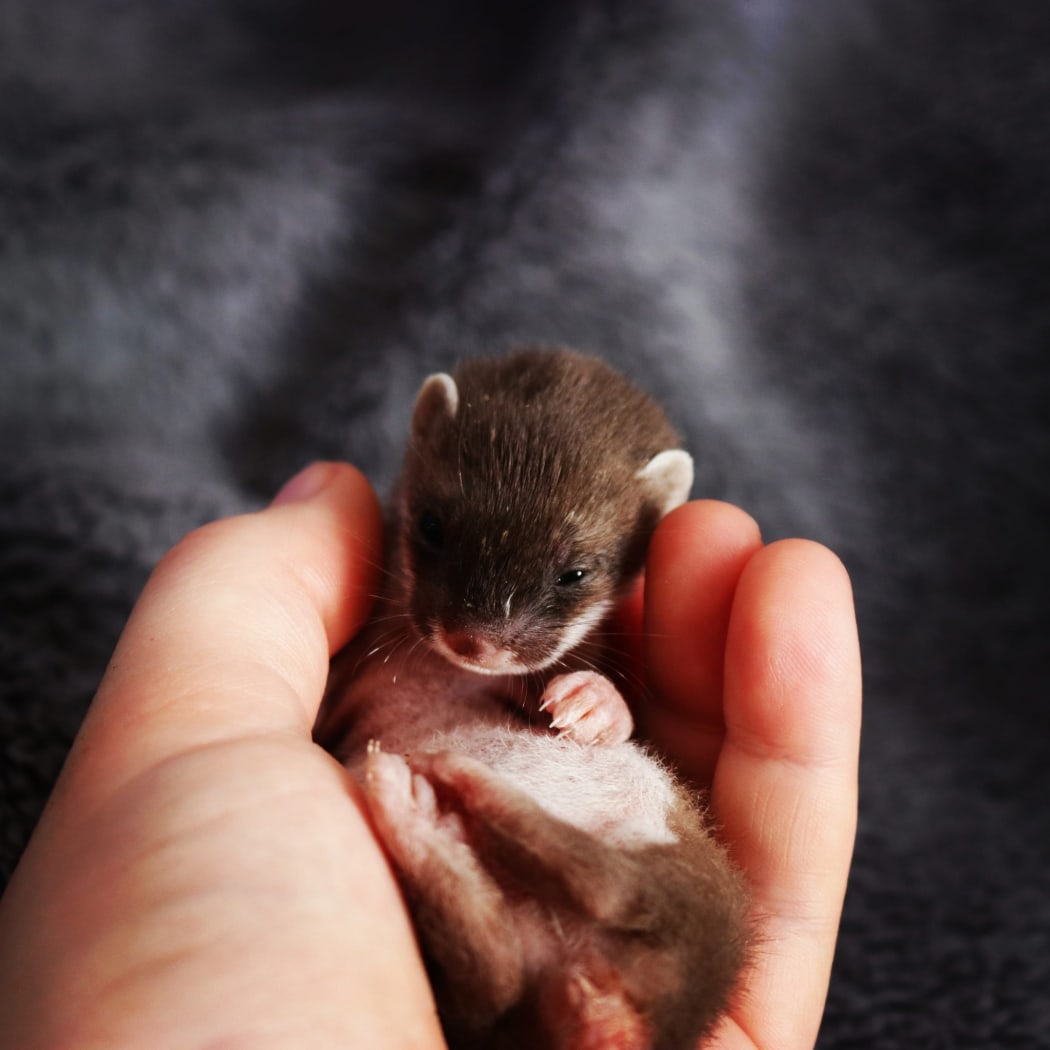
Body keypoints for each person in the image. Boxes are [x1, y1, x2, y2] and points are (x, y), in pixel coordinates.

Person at [0, 461, 861, 1049]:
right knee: (512, 978)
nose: (482, 636)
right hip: (538, 891)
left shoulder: (580, 659)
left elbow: (594, 718)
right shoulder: (367, 620)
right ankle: (470, 875)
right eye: (444, 537)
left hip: (592, 876)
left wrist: (602, 704)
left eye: (566, 580)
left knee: (629, 927)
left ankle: (467, 866)